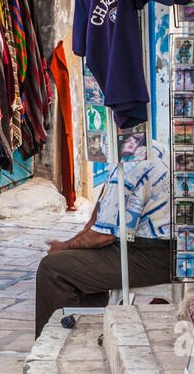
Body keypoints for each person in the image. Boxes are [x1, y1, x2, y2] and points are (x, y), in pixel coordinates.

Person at [34, 141, 173, 336]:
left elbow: (103, 236)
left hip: (153, 255)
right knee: (80, 258)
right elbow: (102, 216)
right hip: (163, 251)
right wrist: (75, 244)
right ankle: (89, 332)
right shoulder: (153, 147)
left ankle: (59, 342)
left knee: (52, 268)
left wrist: (65, 246)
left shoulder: (129, 163)